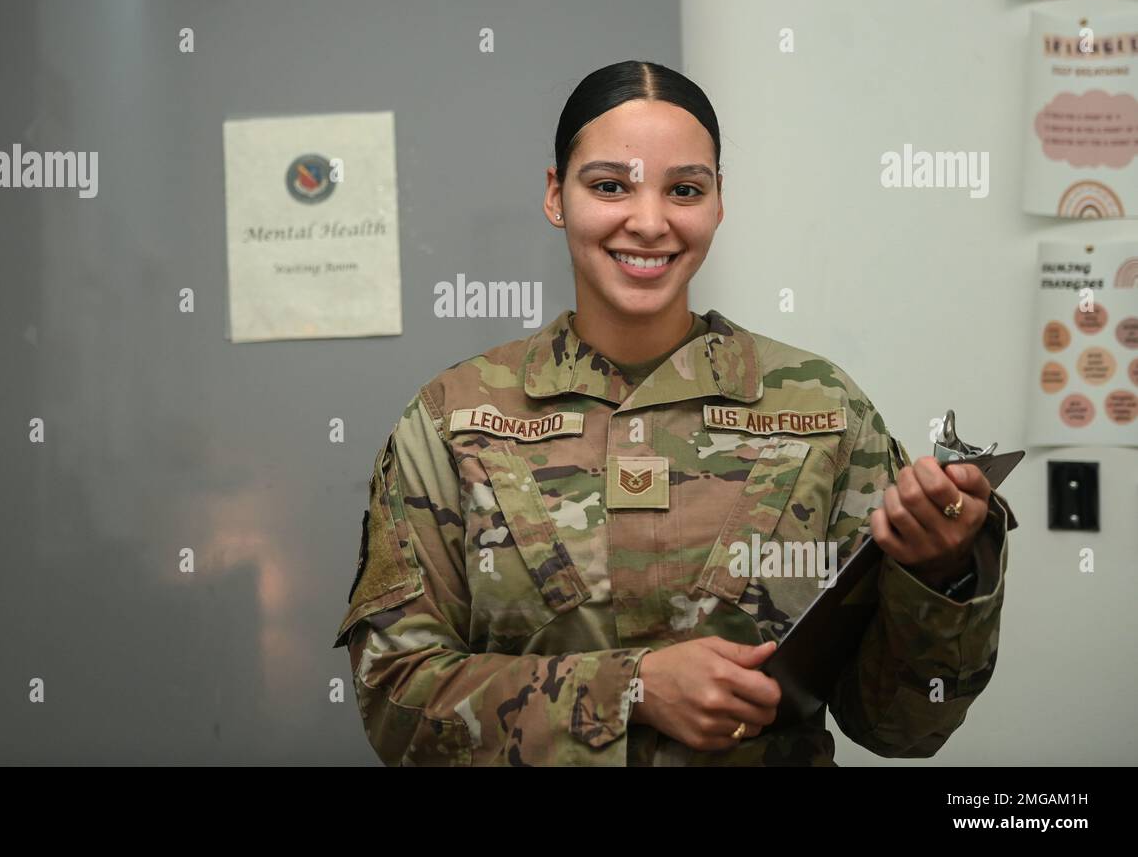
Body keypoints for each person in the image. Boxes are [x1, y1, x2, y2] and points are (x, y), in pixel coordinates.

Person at [332, 60, 1017, 766]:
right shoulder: (454, 418)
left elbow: (902, 727)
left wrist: (940, 574)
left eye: (684, 189)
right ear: (554, 194)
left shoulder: (821, 409)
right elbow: (395, 700)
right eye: (609, 186)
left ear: (718, 201)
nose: (650, 222)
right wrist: (632, 689)